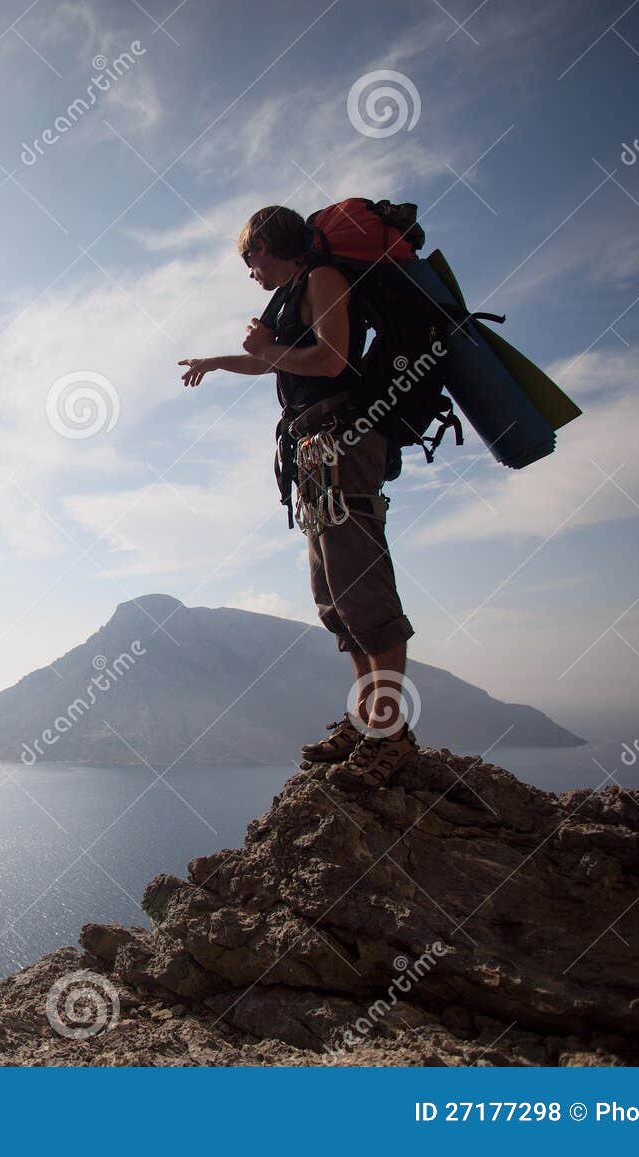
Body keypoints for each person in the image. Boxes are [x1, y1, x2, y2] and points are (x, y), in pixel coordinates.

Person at [178, 205, 417, 787]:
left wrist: (266, 351)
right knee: (334, 596)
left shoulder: (322, 281)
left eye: (249, 257)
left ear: (266, 245)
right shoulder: (288, 297)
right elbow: (277, 365)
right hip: (314, 451)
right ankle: (366, 719)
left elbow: (332, 358)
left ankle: (390, 736)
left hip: (343, 441)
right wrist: (220, 361)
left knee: (363, 592)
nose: (248, 271)